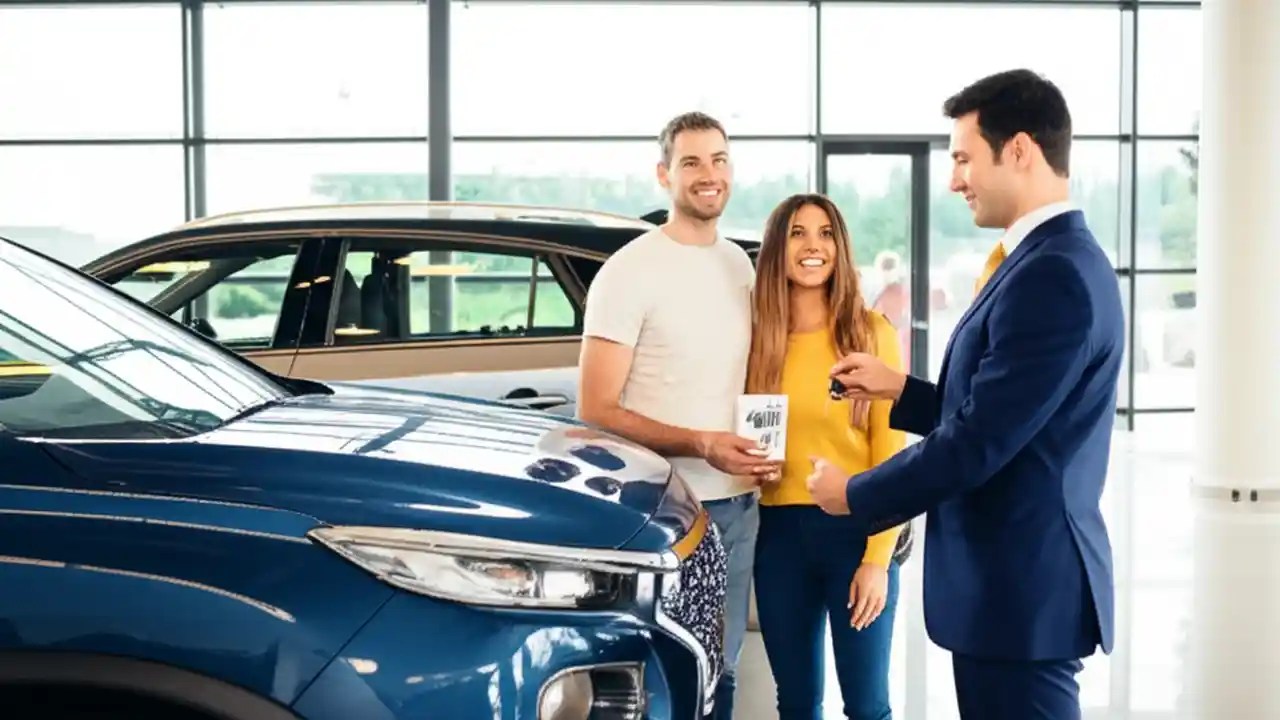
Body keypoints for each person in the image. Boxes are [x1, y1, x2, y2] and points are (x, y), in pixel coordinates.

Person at [804, 69, 1125, 720]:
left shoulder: (1052, 275)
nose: (953, 180)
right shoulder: (1041, 261)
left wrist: (855, 495)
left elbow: (980, 443)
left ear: (1020, 151)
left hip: (1022, 589)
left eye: (961, 158)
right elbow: (1005, 411)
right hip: (1011, 591)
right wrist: (902, 390)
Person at [577, 110, 781, 719]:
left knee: (722, 673)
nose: (709, 174)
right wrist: (702, 444)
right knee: (662, 679)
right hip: (659, 510)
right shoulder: (629, 271)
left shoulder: (740, 267)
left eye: (719, 160)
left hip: (738, 505)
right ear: (664, 174)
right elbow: (597, 408)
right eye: (692, 162)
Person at [747, 193, 907, 720]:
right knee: (795, 703)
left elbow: (890, 453)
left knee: (867, 705)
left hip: (857, 533)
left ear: (840, 247)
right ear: (778, 248)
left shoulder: (869, 333)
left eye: (824, 233)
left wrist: (877, 561)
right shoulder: (760, 341)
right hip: (779, 539)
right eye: (797, 233)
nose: (812, 246)